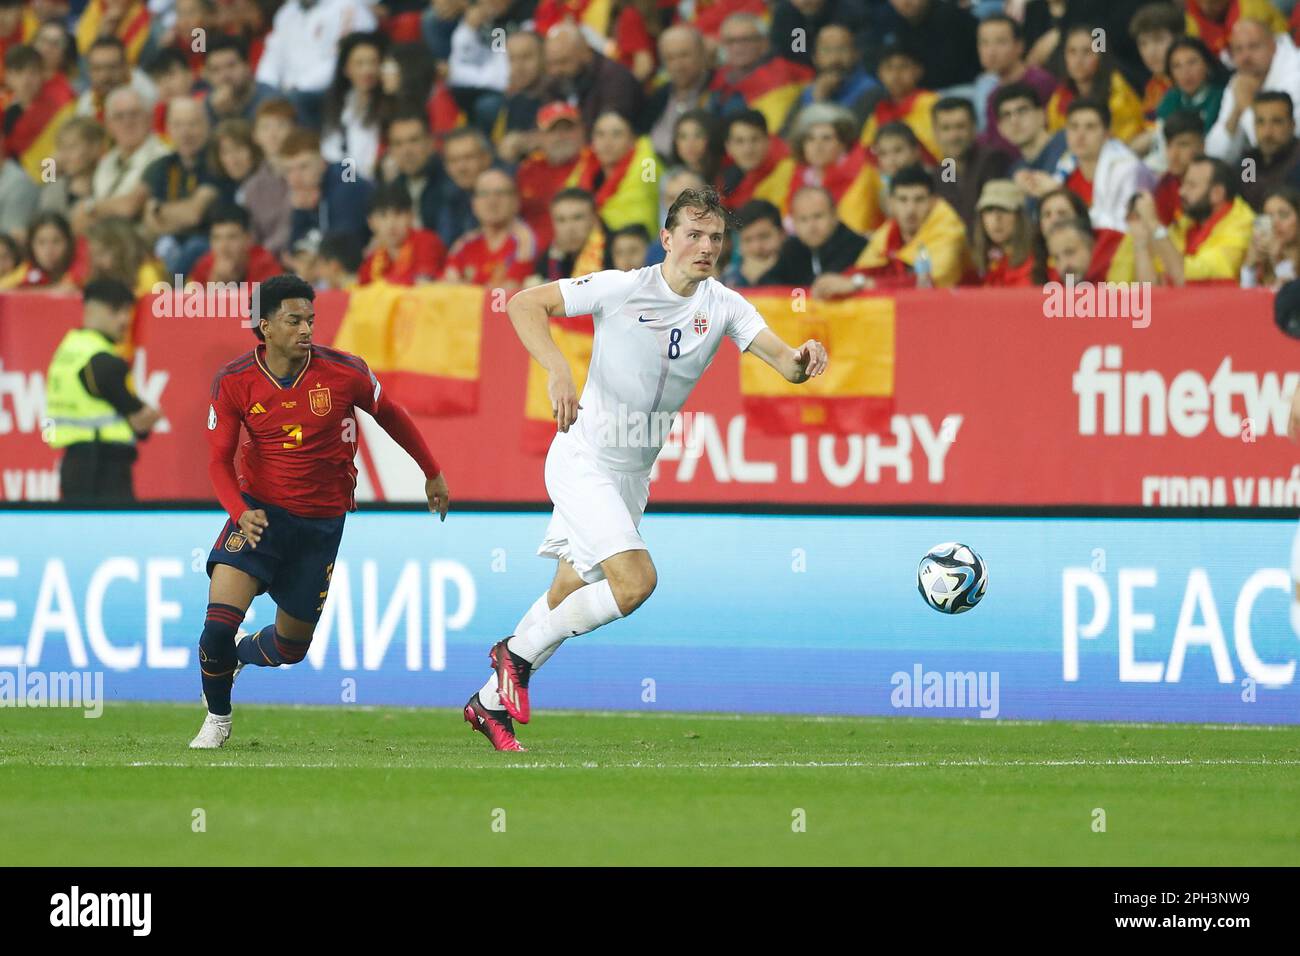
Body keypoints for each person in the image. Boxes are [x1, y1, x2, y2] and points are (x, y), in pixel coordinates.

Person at [465, 186, 828, 751]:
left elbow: (787, 364)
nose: (706, 246)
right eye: (694, 234)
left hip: (632, 476)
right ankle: (512, 654)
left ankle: (488, 703)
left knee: (566, 591)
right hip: (583, 457)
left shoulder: (727, 306)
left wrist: (804, 359)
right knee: (634, 583)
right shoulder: (621, 287)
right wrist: (558, 368)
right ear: (667, 238)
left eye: (715, 238)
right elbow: (522, 304)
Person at [190, 273, 449, 749]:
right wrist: (237, 510)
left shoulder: (345, 372)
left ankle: (245, 655)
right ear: (264, 326)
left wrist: (430, 471)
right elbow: (217, 460)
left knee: (291, 649)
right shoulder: (234, 381)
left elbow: (391, 414)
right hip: (257, 517)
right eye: (294, 320)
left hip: (320, 525)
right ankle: (217, 720)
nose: (306, 329)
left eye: (310, 319)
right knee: (215, 630)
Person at [43, 278, 160, 503]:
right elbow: (140, 421)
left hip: (73, 465)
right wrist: (151, 415)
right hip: (103, 469)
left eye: (128, 311)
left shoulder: (68, 349)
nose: (125, 320)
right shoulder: (104, 361)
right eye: (117, 311)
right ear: (91, 310)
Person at [813, 163, 969, 294]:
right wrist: (840, 280)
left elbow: (925, 283)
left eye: (919, 200)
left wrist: (859, 283)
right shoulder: (888, 231)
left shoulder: (950, 229)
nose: (910, 209)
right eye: (902, 200)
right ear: (891, 202)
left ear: (934, 202)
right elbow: (869, 269)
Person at [1129, 154, 1255, 284]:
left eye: (1192, 186)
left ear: (1217, 194)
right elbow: (1154, 282)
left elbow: (1181, 276)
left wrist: (1153, 223)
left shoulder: (1240, 225)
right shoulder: (1189, 221)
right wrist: (1141, 242)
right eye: (1184, 184)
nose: (1181, 192)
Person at [1205, 18, 1300, 164]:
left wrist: (1246, 105)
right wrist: (1235, 114)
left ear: (1273, 47)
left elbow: (1278, 143)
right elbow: (1214, 156)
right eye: (1238, 49)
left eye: (1254, 47)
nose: (1245, 57)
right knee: (1245, 173)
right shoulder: (1240, 81)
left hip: (1292, 170)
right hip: (1258, 166)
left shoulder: (1295, 72)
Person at [766, 185, 867, 286]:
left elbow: (823, 286)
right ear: (794, 222)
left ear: (835, 215)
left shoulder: (856, 245)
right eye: (803, 219)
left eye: (818, 216)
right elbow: (768, 284)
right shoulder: (792, 247)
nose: (811, 227)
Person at [358, 181, 447, 285]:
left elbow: (423, 284)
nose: (391, 224)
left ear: (411, 216)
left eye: (398, 214)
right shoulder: (372, 260)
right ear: (371, 223)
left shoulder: (426, 242)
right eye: (383, 216)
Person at [188, 201, 281, 284]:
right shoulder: (204, 266)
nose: (223, 247)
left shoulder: (265, 265)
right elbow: (189, 300)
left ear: (248, 239)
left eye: (232, 237)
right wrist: (213, 282)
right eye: (216, 238)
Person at [1240, 92, 1300, 211]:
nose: (1267, 132)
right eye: (1260, 122)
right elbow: (1246, 197)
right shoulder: (1249, 161)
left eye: (1276, 122)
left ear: (1292, 125)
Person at [971, 179, 1035, 286]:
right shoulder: (975, 262)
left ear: (1020, 217)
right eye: (989, 209)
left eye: (1004, 209)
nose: (996, 218)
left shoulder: (1035, 262)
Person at [1241, 186, 1300, 290]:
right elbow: (1246, 299)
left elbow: (1293, 298)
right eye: (1269, 217)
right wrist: (1250, 266)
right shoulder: (1264, 260)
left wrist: (1279, 261)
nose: (1275, 223)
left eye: (1283, 215)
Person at [723, 198, 785, 288]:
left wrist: (765, 277)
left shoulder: (802, 270)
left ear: (782, 235)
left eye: (764, 236)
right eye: (747, 240)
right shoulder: (728, 281)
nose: (757, 248)